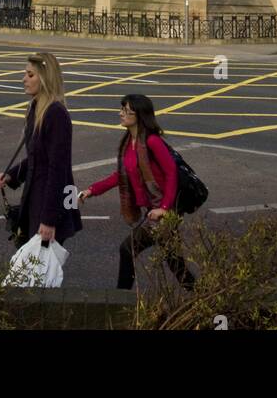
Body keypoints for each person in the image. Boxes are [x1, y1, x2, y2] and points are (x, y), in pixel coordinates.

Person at [80, 93, 194, 291]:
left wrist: (165, 208)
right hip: (154, 210)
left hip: (165, 212)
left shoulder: (152, 142)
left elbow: (171, 173)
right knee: (175, 263)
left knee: (127, 249)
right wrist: (92, 190)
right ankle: (203, 297)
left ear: (139, 115)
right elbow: (120, 175)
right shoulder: (129, 143)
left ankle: (120, 299)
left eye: (126, 110)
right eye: (122, 109)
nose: (121, 113)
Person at [0, 51, 82, 249]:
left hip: (49, 205)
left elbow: (57, 169)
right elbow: (37, 157)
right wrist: (10, 176)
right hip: (36, 201)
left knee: (40, 272)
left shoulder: (56, 114)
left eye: (30, 75)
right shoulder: (36, 108)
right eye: (25, 74)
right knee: (35, 270)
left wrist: (49, 220)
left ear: (45, 78)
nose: (24, 79)